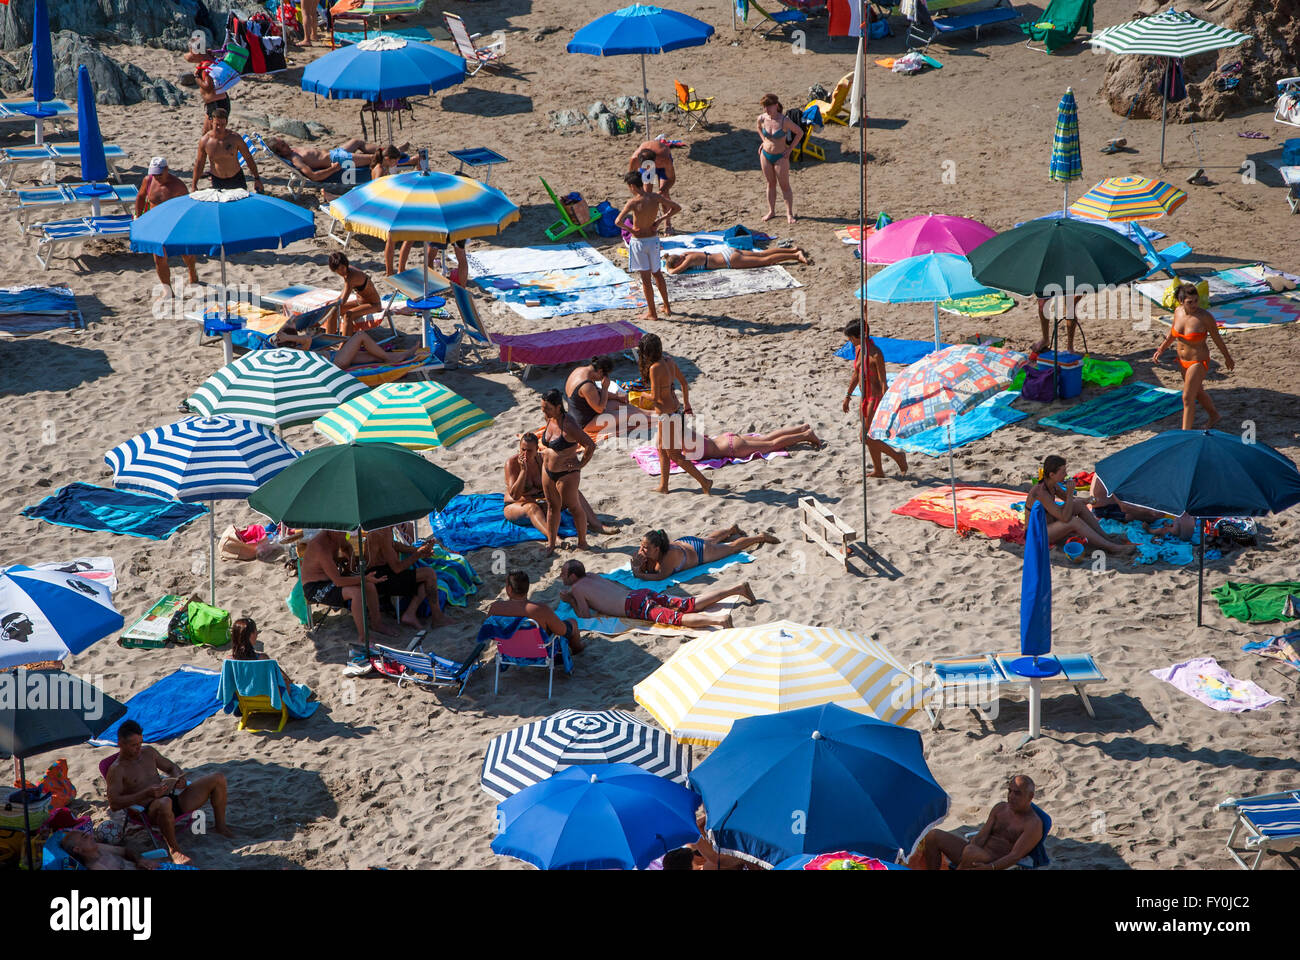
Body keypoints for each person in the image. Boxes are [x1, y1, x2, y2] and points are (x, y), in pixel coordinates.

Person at [105, 719, 232, 865]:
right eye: (134, 745)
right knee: (165, 802)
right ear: (120, 743)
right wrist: (146, 794)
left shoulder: (148, 752)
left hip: (170, 798)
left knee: (218, 778)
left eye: (140, 743)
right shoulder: (117, 770)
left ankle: (221, 827)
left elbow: (172, 767)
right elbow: (114, 803)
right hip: (148, 811)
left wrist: (178, 778)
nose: (138, 749)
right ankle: (174, 850)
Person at [559, 559, 752, 629]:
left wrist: (570, 600)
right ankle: (736, 589)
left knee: (676, 618)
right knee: (686, 603)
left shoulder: (577, 589)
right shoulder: (592, 576)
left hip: (634, 606)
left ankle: (718, 621)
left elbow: (585, 615)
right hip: (639, 593)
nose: (561, 576)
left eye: (564, 573)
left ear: (574, 576)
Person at [912, 775, 1044, 870]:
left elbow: (1015, 856)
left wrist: (990, 867)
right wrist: (969, 849)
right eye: (1009, 791)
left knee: (971, 852)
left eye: (1017, 793)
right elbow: (983, 834)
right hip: (973, 854)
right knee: (933, 836)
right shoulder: (1001, 808)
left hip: (995, 862)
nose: (1011, 796)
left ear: (1030, 797)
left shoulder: (1033, 824)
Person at [1152, 282, 1234, 430]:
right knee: (1197, 392)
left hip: (1198, 361)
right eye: (1190, 302)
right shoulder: (1178, 312)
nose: (1195, 305)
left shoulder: (1204, 317)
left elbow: (1217, 338)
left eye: (1196, 300)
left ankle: (1185, 433)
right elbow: (1172, 333)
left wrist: (1227, 357)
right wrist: (1162, 348)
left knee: (1187, 397)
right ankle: (1214, 415)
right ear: (1181, 302)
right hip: (1182, 361)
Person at [504, 433, 614, 540]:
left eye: (529, 450)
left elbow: (557, 479)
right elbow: (515, 495)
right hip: (518, 505)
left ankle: (596, 525)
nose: (525, 454)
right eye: (523, 449)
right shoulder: (512, 464)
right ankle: (554, 538)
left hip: (542, 502)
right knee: (532, 508)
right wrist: (523, 471)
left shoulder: (543, 459)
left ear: (537, 449)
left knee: (573, 491)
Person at [639, 333, 711, 495]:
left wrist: (642, 395)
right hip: (675, 410)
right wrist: (687, 403)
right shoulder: (669, 361)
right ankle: (664, 486)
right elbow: (684, 383)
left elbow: (655, 398)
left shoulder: (654, 368)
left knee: (674, 454)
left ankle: (705, 482)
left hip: (668, 415)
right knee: (661, 448)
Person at [298, 529, 395, 642]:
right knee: (356, 592)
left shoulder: (337, 534)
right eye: (341, 532)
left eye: (345, 532)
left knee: (369, 585)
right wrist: (364, 578)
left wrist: (351, 562)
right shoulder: (320, 546)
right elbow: (338, 581)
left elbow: (347, 547)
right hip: (314, 588)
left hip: (330, 580)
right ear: (329, 530)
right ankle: (363, 636)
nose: (344, 535)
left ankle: (376, 623)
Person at [1027, 455, 1135, 555]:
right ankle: (1112, 547)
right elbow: (1065, 518)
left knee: (1078, 504)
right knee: (1074, 521)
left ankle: (1105, 537)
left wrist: (1087, 500)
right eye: (1063, 472)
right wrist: (1070, 493)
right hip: (1037, 534)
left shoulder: (1052, 485)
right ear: (1052, 474)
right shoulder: (1041, 492)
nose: (1066, 475)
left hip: (1050, 524)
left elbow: (1072, 500)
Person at [842, 319, 907, 478]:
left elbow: (884, 382)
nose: (850, 341)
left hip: (875, 398)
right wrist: (848, 396)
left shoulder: (876, 354)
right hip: (863, 397)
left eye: (852, 338)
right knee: (870, 435)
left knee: (865, 437)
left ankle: (898, 457)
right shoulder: (858, 349)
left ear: (860, 335)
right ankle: (879, 470)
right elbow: (856, 374)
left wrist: (888, 404)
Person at [540, 388, 598, 554]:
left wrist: (581, 465)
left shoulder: (570, 425)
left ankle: (583, 543)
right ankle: (551, 544)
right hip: (548, 470)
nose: (544, 411)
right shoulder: (549, 418)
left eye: (548, 408)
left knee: (574, 507)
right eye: (543, 407)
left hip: (567, 474)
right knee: (552, 507)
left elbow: (590, 445)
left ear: (559, 407)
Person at [617, 171, 680, 322]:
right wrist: (660, 221)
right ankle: (667, 307)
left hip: (639, 242)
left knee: (646, 279)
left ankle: (652, 313)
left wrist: (631, 230)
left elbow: (618, 221)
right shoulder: (655, 197)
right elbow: (676, 208)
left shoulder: (633, 202)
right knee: (657, 274)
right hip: (653, 240)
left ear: (632, 186)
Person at [363, 527, 448, 629]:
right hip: (379, 578)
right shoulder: (383, 533)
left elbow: (394, 545)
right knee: (429, 574)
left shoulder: (382, 528)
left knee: (427, 577)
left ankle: (410, 614)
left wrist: (419, 549)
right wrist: (418, 554)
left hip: (381, 572)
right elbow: (397, 568)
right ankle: (437, 617)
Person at [136, 157, 198, 290]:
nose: (157, 177)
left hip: (175, 224)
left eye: (159, 174)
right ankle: (167, 290)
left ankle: (192, 270)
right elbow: (141, 197)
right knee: (159, 258)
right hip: (157, 224)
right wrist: (138, 216)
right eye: (154, 174)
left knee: (186, 254)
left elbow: (186, 208)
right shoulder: (148, 180)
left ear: (166, 169)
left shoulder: (178, 186)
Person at [487, 569, 584, 654]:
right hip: (538, 652)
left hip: (510, 652)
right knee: (572, 623)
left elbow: (491, 635)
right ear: (527, 588)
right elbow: (562, 631)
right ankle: (578, 650)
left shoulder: (495, 608)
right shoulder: (540, 609)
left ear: (509, 589)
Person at [631, 525, 778, 580]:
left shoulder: (669, 556)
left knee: (731, 548)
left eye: (645, 548)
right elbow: (649, 567)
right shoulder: (651, 550)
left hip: (700, 552)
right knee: (710, 539)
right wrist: (642, 565)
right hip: (686, 543)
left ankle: (760, 537)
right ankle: (731, 529)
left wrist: (639, 573)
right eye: (642, 546)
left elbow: (661, 575)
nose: (641, 550)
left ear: (657, 549)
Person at [1089, 474, 1195, 539]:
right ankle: (1158, 530)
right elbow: (1124, 507)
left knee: (1153, 512)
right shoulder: (1116, 474)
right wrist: (1149, 512)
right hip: (1104, 509)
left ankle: (1167, 528)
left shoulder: (1123, 470)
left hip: (1115, 501)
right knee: (1149, 516)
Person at [274, 324, 416, 370]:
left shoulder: (293, 351)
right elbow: (307, 339)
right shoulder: (294, 352)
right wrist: (287, 337)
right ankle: (390, 358)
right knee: (360, 335)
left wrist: (287, 337)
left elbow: (305, 339)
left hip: (336, 357)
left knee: (373, 356)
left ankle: (399, 356)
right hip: (336, 362)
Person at [192, 109, 263, 192]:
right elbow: (200, 163)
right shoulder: (205, 141)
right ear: (211, 122)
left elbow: (248, 158)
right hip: (217, 180)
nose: (220, 127)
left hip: (236, 178)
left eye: (223, 124)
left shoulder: (235, 138)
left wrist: (257, 179)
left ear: (226, 122)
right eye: (217, 124)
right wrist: (194, 185)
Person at [266, 137, 388, 183]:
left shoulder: (292, 150)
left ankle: (387, 150)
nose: (286, 145)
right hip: (339, 160)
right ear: (279, 153)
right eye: (282, 146)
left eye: (284, 142)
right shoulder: (295, 159)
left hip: (335, 152)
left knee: (357, 142)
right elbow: (314, 177)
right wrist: (333, 169)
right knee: (374, 158)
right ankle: (397, 156)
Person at [757, 93, 799, 223]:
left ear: (776, 106)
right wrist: (763, 141)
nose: (766, 110)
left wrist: (790, 149)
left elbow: (799, 132)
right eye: (764, 107)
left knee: (784, 185)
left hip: (781, 156)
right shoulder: (762, 118)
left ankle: (789, 214)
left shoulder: (784, 121)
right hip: (765, 155)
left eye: (768, 107)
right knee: (770, 183)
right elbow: (758, 127)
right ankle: (771, 211)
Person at [229, 617, 297, 688]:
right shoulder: (262, 658)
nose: (257, 634)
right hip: (264, 697)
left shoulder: (229, 660)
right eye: (255, 631)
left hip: (241, 698)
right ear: (251, 635)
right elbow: (284, 680)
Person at [325, 251, 382, 335]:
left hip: (374, 305)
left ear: (346, 265)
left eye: (342, 268)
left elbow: (343, 301)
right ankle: (328, 340)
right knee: (333, 310)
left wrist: (331, 304)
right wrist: (331, 303)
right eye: (338, 270)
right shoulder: (347, 272)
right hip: (360, 303)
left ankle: (344, 344)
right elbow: (342, 294)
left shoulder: (351, 277)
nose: (341, 271)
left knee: (348, 315)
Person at [627, 139, 677, 233]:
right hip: (648, 160)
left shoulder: (665, 160)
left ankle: (668, 224)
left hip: (662, 166)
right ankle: (649, 224)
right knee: (646, 196)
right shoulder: (634, 159)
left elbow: (671, 179)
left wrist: (662, 191)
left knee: (664, 195)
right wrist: (638, 194)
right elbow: (630, 180)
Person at [564, 355, 627, 428]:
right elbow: (600, 409)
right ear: (600, 371)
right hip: (584, 423)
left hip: (575, 416)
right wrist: (605, 388)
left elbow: (596, 392)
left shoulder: (579, 370)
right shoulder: (587, 385)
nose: (602, 379)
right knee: (628, 413)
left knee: (621, 404)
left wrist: (617, 397)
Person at [699, 425, 822, 460]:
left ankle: (805, 435)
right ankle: (801, 428)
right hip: (725, 437)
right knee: (766, 438)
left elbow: (683, 460)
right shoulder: (688, 432)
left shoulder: (684, 447)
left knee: (772, 445)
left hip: (732, 447)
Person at [57, 830, 161, 871]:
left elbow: (125, 851)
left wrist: (140, 860)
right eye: (85, 837)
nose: (90, 836)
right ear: (77, 849)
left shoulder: (99, 848)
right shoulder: (96, 867)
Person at [663, 246, 810, 273]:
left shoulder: (689, 260)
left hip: (729, 260)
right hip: (729, 251)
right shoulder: (686, 254)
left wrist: (668, 267)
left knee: (765, 260)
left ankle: (795, 255)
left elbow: (675, 272)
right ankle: (793, 249)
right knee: (762, 254)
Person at [195, 60, 231, 134]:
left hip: (217, 103)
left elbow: (208, 86)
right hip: (214, 103)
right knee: (207, 132)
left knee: (213, 133)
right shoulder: (205, 63)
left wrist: (197, 78)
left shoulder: (207, 65)